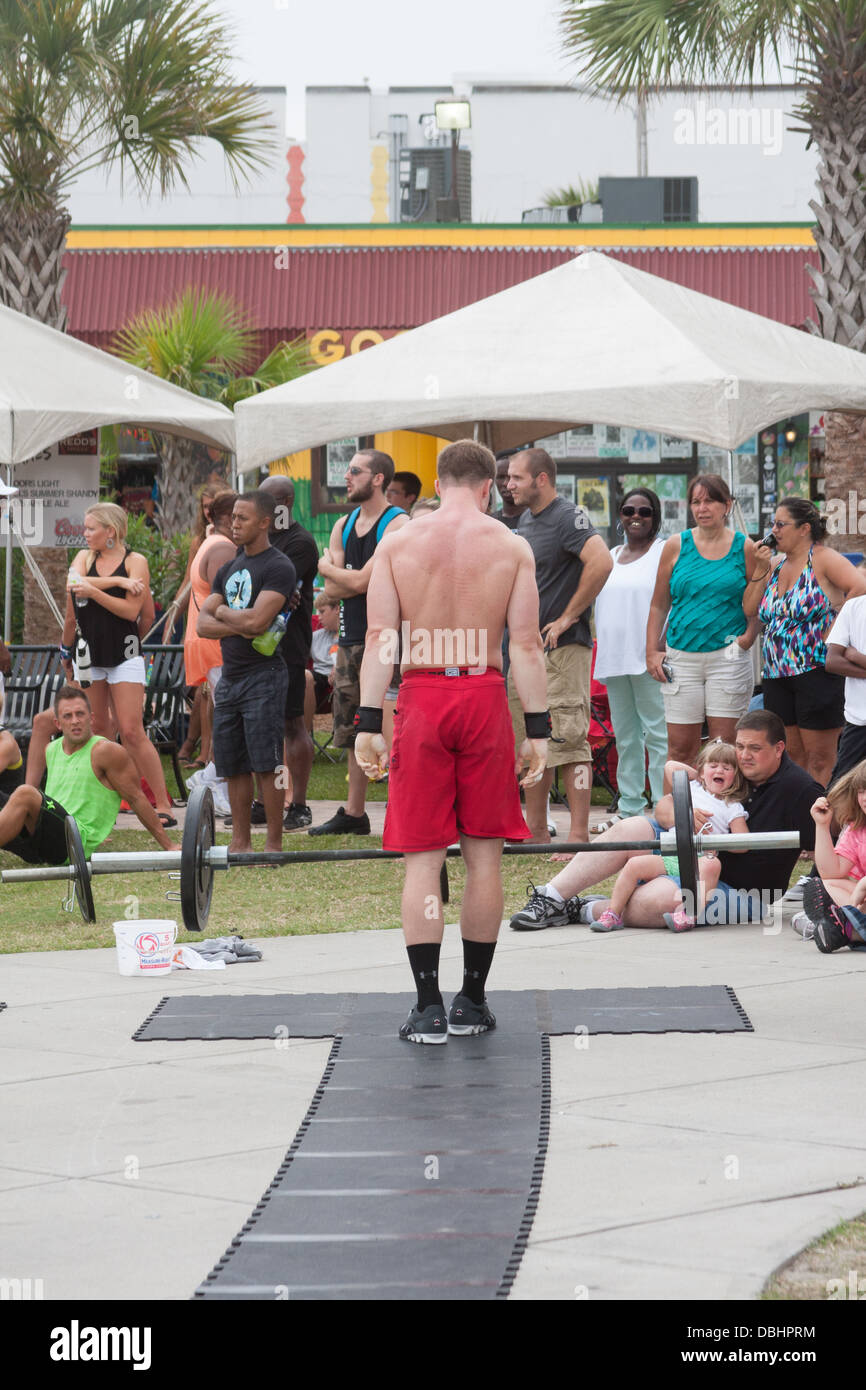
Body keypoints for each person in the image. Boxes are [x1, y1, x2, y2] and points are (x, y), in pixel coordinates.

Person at [354, 438, 548, 1044]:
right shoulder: (511, 546)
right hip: (483, 694)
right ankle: (471, 999)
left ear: (437, 484)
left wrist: (366, 720)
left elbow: (381, 637)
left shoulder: (397, 542)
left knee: (424, 860)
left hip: (423, 696)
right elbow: (527, 646)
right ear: (489, 485)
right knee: (484, 855)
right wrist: (537, 732)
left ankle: (427, 1006)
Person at [509, 710, 822, 930]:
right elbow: (665, 803)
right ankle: (551, 898)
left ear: (779, 748)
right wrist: (679, 814)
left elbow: (830, 843)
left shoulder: (800, 790)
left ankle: (584, 909)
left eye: (755, 748)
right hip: (686, 854)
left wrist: (818, 892)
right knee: (631, 826)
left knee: (665, 898)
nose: (744, 755)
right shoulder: (731, 768)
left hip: (741, 891)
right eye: (740, 747)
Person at [505, 447, 613, 846]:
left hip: (564, 650)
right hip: (527, 653)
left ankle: (579, 836)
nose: (508, 484)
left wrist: (569, 617)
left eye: (516, 477)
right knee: (532, 739)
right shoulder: (526, 521)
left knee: (569, 741)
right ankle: (535, 833)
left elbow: (601, 561)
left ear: (541, 479)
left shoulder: (567, 516)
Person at [312, 449, 409, 836]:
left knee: (391, 728)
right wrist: (336, 576)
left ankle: (401, 810)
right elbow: (335, 588)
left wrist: (327, 568)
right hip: (352, 637)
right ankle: (354, 813)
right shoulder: (344, 523)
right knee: (356, 727)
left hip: (389, 639)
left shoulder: (397, 523)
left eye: (355, 471)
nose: (347, 477)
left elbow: (359, 582)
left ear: (379, 478)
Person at [196, 491, 298, 854]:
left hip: (264, 675)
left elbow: (257, 622)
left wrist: (225, 613)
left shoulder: (278, 566)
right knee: (233, 763)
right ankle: (240, 842)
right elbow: (202, 626)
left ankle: (274, 843)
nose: (234, 523)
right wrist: (234, 618)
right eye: (233, 517)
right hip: (231, 676)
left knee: (268, 763)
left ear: (265, 522)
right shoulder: (227, 568)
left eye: (243, 518)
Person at [63, 503, 175, 825]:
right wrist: (65, 649)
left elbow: (131, 613)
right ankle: (106, 808)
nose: (84, 534)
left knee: (131, 730)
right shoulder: (84, 559)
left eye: (90, 529)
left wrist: (95, 589)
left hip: (124, 653)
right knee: (98, 731)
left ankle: (163, 803)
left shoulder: (135, 562)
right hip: (89, 654)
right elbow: (73, 590)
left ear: (110, 532)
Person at [746, 498, 866, 787]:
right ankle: (799, 821)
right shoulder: (774, 564)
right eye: (772, 524)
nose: (773, 530)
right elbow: (750, 609)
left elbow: (860, 586)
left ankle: (821, 824)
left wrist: (835, 632)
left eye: (780, 524)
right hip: (777, 673)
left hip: (815, 671)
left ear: (804, 529)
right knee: (790, 755)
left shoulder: (823, 558)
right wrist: (760, 569)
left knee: (821, 758)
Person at [647, 474, 760, 766]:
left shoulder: (744, 547)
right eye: (696, 501)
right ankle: (676, 812)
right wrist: (651, 651)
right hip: (681, 657)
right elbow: (659, 604)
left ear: (727, 505)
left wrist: (748, 638)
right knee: (680, 751)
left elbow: (758, 601)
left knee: (722, 751)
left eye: (710, 500)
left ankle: (721, 812)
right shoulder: (676, 545)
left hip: (728, 657)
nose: (702, 508)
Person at [0, 685, 176, 868]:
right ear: (58, 724)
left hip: (75, 843)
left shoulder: (105, 751)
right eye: (68, 716)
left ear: (91, 719)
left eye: (80, 714)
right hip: (42, 843)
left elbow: (136, 798)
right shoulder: (51, 748)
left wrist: (169, 845)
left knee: (26, 793)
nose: (75, 721)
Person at [590, 742, 749, 933]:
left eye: (727, 767)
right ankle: (613, 914)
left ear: (735, 775)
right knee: (634, 864)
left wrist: (714, 841)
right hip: (672, 856)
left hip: (700, 861)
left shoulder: (731, 806)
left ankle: (689, 914)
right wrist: (698, 773)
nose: (720, 771)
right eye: (713, 765)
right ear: (701, 770)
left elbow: (743, 843)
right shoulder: (692, 787)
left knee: (713, 864)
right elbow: (670, 767)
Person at [593, 487, 667, 831]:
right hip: (614, 657)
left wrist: (661, 647)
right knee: (625, 737)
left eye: (644, 511)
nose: (635, 517)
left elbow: (671, 603)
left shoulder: (664, 552)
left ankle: (665, 808)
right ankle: (630, 809)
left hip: (649, 657)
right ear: (619, 516)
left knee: (657, 734)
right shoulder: (611, 554)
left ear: (656, 517)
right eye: (628, 511)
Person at [259, 474, 321, 830]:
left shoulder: (300, 542)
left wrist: (268, 586)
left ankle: (298, 804)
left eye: (266, 501)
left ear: (283, 503)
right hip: (253, 644)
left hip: (289, 646)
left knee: (291, 723)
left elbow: (272, 585)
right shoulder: (259, 537)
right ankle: (265, 798)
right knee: (261, 726)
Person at [805, 766, 866, 952]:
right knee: (828, 884)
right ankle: (849, 926)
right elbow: (830, 873)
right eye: (861, 791)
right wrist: (822, 826)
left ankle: (848, 929)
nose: (864, 798)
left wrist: (864, 883)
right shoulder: (858, 829)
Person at [311, 591, 340, 710]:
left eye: (322, 611)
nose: (319, 617)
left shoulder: (349, 637)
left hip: (340, 676)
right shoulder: (316, 636)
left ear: (337, 609)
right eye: (318, 612)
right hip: (317, 678)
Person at [492, 451, 527, 530]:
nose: (506, 483)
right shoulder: (490, 523)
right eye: (500, 477)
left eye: (513, 477)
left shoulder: (539, 521)